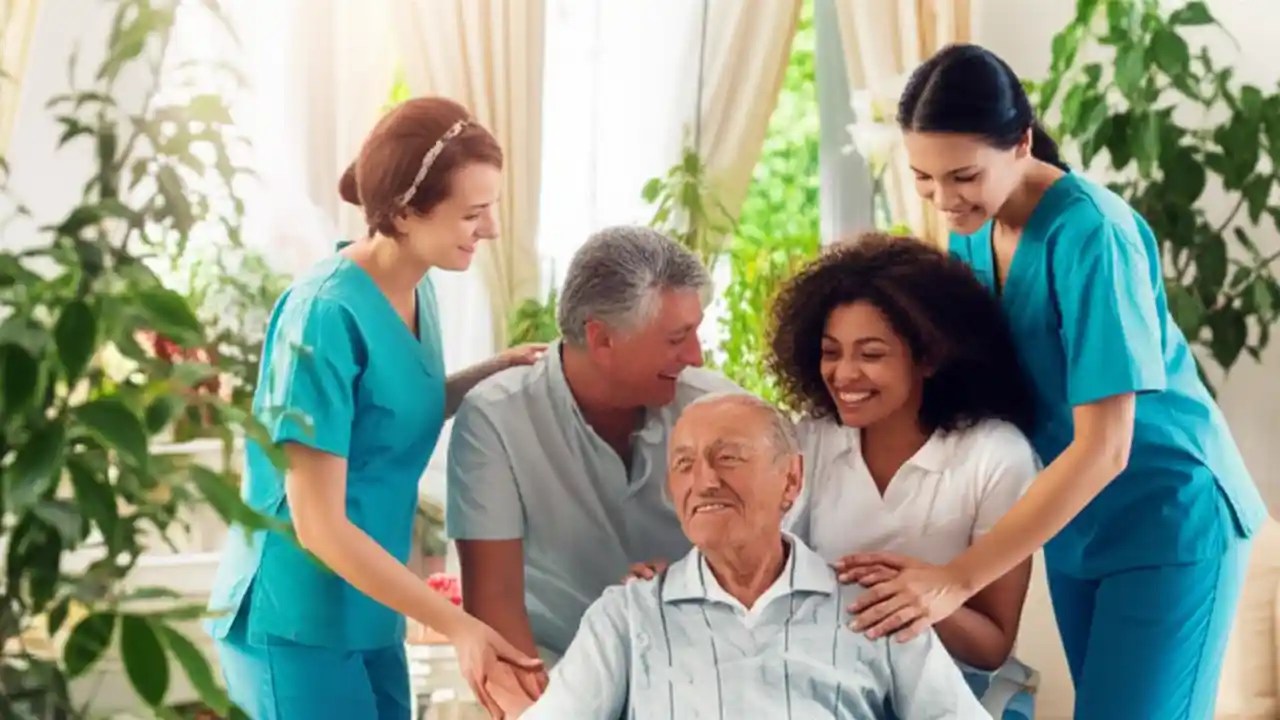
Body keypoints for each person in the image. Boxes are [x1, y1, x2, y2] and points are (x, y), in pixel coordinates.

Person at [846, 43, 1269, 719]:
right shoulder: (972, 230)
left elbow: (1107, 446)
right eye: (923, 178)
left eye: (962, 176)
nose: (944, 200)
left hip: (1168, 517)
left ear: (1021, 142)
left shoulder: (1094, 234)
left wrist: (958, 580)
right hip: (1078, 524)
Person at [205, 97, 544, 720]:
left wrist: (490, 372)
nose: (492, 229)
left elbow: (386, 413)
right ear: (405, 213)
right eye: (473, 213)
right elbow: (318, 525)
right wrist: (460, 627)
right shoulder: (323, 315)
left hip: (370, 608)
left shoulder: (418, 289)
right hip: (296, 619)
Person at [489, 392, 990, 719]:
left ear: (791, 479)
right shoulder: (627, 615)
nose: (705, 480)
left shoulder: (874, 608)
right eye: (684, 464)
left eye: (728, 457)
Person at [445, 225, 743, 698]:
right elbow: (495, 605)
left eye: (695, 331)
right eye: (677, 338)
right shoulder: (496, 417)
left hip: (704, 684)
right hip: (557, 682)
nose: (696, 355)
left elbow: (773, 561)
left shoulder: (721, 410)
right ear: (601, 339)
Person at [766, 233, 1041, 718]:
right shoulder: (811, 440)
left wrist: (920, 598)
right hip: (832, 682)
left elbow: (992, 647)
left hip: (958, 689)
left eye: (870, 354)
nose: (844, 374)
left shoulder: (995, 455)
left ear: (928, 357)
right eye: (831, 352)